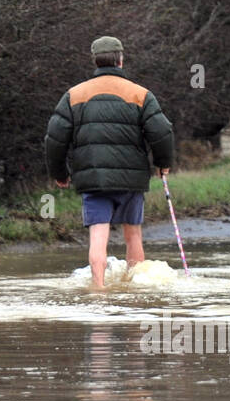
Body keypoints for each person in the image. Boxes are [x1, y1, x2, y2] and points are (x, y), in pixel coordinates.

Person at [45, 36, 174, 289]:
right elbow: (162, 132)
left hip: (92, 180)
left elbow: (55, 139)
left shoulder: (74, 95)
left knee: (98, 234)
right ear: (121, 60)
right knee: (133, 234)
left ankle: (98, 289)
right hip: (131, 179)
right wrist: (163, 164)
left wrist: (60, 172)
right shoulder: (140, 94)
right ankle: (136, 289)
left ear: (95, 60)